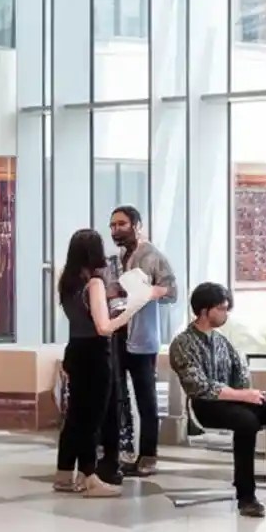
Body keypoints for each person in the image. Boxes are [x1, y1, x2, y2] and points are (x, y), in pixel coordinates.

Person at [54, 229, 162, 497]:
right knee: (93, 417)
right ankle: (91, 477)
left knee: (75, 416)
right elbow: (104, 327)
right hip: (95, 354)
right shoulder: (94, 284)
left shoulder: (66, 282)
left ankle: (64, 474)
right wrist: (133, 307)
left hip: (75, 350)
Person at [168, 282, 266, 518]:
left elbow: (240, 376)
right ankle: (246, 496)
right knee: (247, 422)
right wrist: (243, 395)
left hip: (233, 400)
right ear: (204, 310)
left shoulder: (222, 341)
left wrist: (250, 395)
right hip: (206, 406)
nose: (225, 313)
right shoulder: (182, 343)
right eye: (221, 308)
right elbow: (199, 386)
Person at [105, 205, 177, 478]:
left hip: (142, 338)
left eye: (122, 224)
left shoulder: (153, 257)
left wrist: (149, 292)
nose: (116, 229)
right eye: (112, 225)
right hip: (117, 333)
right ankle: (121, 451)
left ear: (137, 225)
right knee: (118, 395)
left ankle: (149, 455)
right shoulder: (119, 256)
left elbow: (172, 292)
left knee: (146, 399)